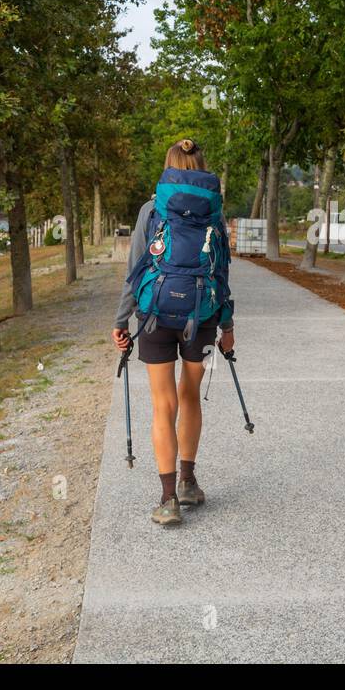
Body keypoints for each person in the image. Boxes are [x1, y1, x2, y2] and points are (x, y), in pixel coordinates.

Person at [112, 139, 234, 526]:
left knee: (163, 405)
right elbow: (222, 274)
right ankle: (187, 481)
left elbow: (135, 270)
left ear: (168, 168)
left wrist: (121, 322)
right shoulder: (214, 214)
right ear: (201, 166)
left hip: (155, 317)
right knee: (190, 396)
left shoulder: (151, 211)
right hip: (201, 315)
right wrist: (227, 326)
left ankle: (167, 502)